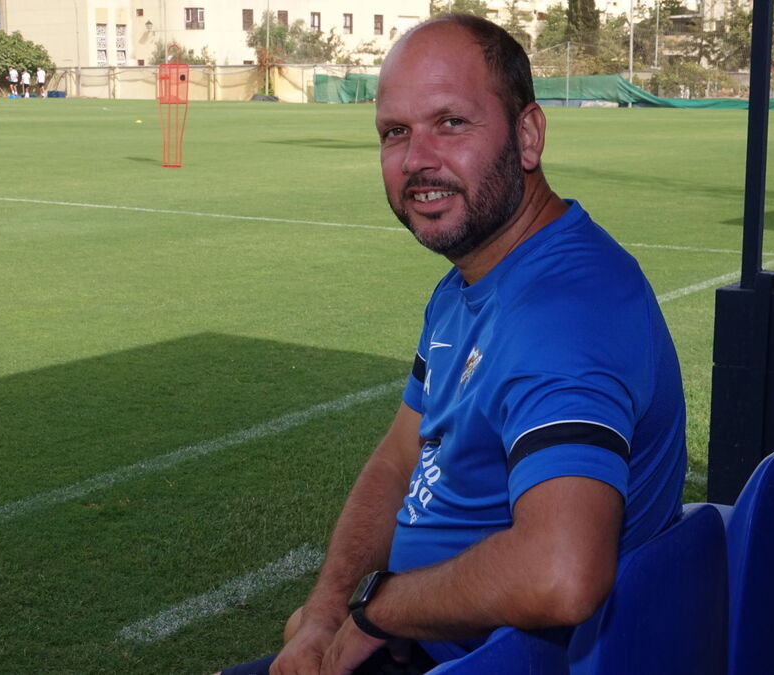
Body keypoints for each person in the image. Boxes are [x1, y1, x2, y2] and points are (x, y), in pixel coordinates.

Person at [216, 13, 686, 675]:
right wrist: (327, 607)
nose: (417, 160)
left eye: (451, 123)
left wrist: (377, 611)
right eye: (394, 133)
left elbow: (562, 571)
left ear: (528, 135)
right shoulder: (467, 282)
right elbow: (400, 456)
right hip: (430, 637)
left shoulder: (564, 313)